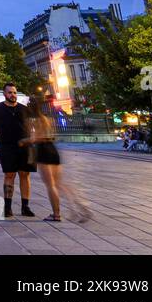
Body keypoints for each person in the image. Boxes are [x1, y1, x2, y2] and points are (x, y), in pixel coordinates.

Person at [24, 95, 91, 223]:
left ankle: (56, 214)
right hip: (53, 150)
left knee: (51, 185)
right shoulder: (48, 119)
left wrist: (23, 141)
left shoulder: (33, 121)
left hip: (43, 151)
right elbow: (51, 136)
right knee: (59, 183)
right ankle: (80, 207)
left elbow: (35, 138)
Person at [0, 84, 35, 218]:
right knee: (9, 175)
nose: (12, 95)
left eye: (14, 92)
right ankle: (7, 207)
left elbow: (32, 126)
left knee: (25, 174)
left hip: (25, 146)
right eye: (9, 92)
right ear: (4, 94)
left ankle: (25, 206)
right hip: (7, 146)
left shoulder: (24, 109)